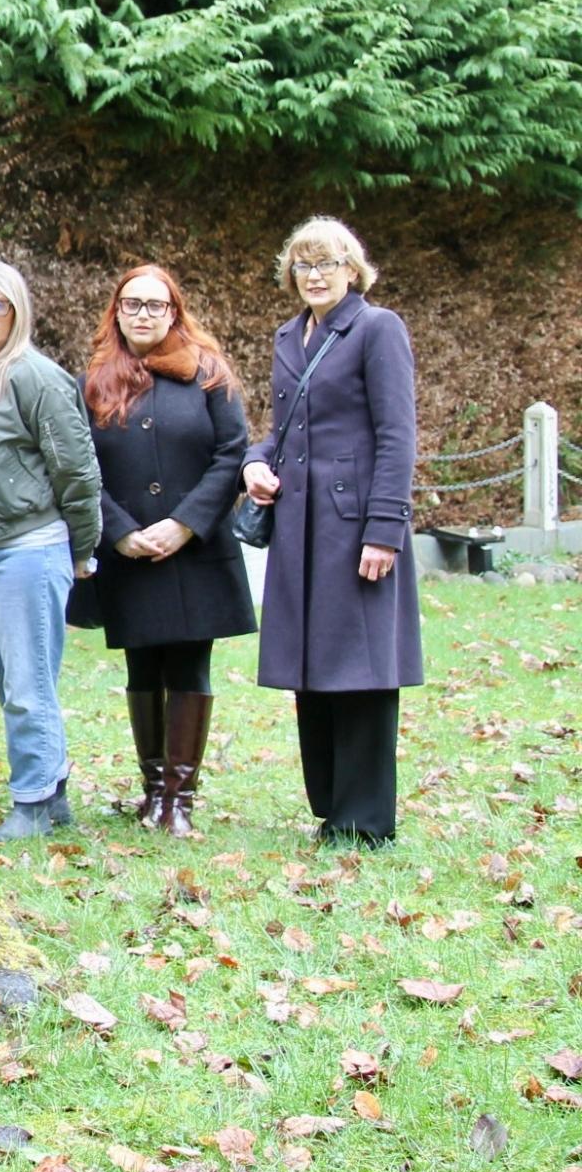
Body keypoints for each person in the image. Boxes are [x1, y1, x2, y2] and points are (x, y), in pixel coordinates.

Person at [241, 217, 421, 846]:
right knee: (312, 667)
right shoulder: (289, 335)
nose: (314, 276)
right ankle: (331, 808)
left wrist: (385, 529)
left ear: (352, 269)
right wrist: (254, 463)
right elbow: (283, 429)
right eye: (303, 265)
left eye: (327, 264)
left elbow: (397, 435)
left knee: (362, 667)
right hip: (299, 527)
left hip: (355, 527)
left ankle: (364, 820)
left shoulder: (378, 328)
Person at [83, 265, 254, 836]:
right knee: (142, 667)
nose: (143, 314)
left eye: (155, 305)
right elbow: (81, 466)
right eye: (132, 304)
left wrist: (185, 524)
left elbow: (232, 452)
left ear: (174, 312)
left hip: (195, 549)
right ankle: (153, 792)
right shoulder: (94, 380)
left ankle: (180, 800)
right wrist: (119, 530)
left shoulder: (209, 373)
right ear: (117, 312)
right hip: (128, 551)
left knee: (188, 666)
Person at [0, 259, 101, 844]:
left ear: (18, 312)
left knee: (28, 682)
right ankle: (52, 791)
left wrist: (83, 547)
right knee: (8, 677)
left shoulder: (37, 377)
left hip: (32, 546)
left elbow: (77, 468)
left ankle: (31, 804)